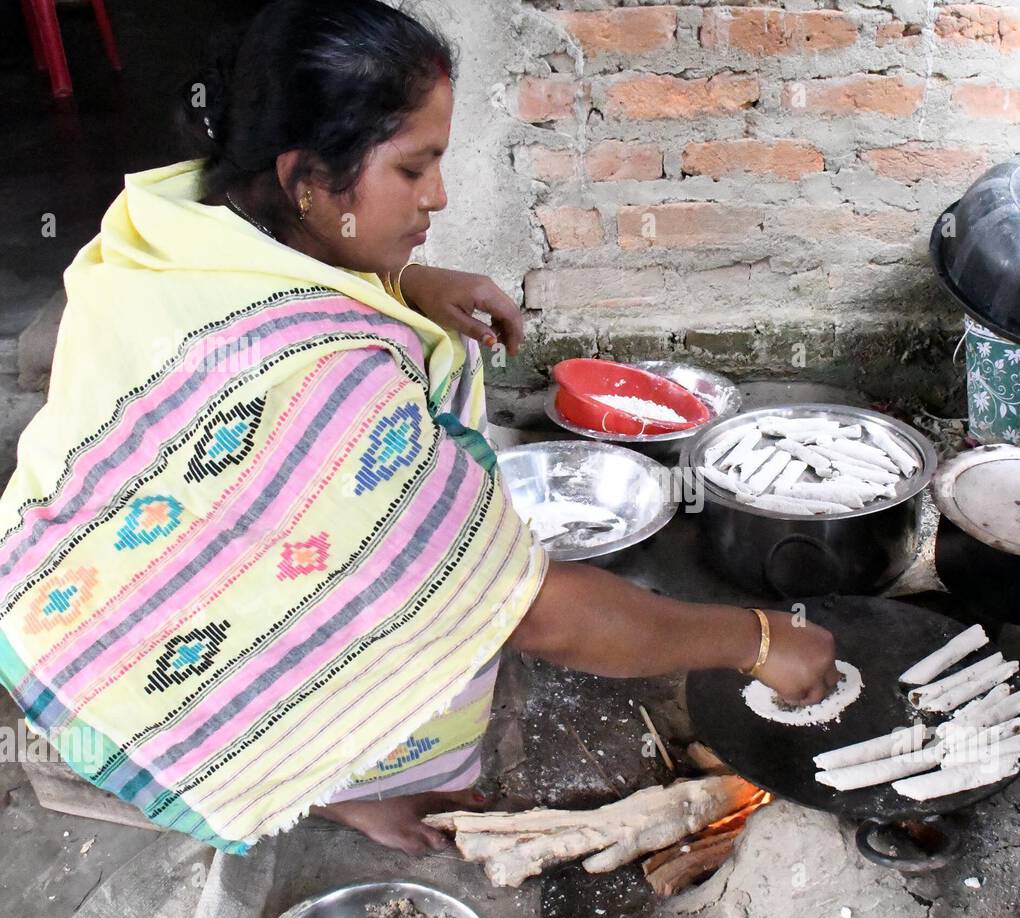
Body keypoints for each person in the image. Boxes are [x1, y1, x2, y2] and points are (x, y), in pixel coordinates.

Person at [0, 0, 839, 857]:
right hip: (135, 682)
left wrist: (403, 282)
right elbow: (532, 611)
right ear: (305, 179)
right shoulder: (335, 384)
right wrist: (757, 640)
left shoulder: (170, 228)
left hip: (58, 596)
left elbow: (284, 277)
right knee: (441, 587)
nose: (439, 196)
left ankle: (341, 779)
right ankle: (307, 778)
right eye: (413, 169)